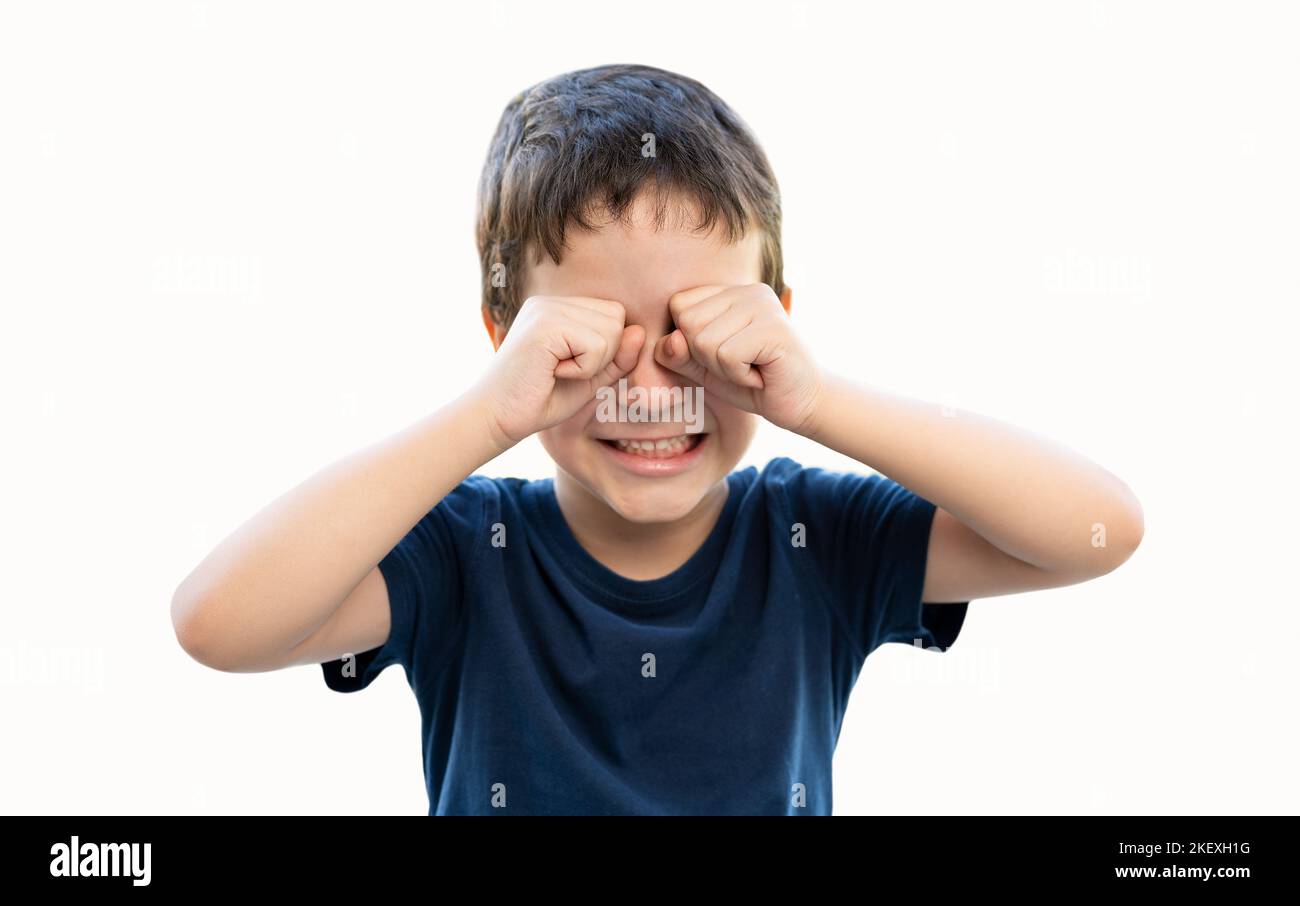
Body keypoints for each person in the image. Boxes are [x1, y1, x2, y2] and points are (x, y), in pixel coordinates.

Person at [171, 64, 1144, 815]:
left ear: (776, 323)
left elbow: (1100, 529)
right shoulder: (464, 551)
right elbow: (216, 625)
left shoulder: (815, 537)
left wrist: (816, 400)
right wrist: (487, 416)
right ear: (508, 344)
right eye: (587, 340)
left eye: (703, 328)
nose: (647, 385)